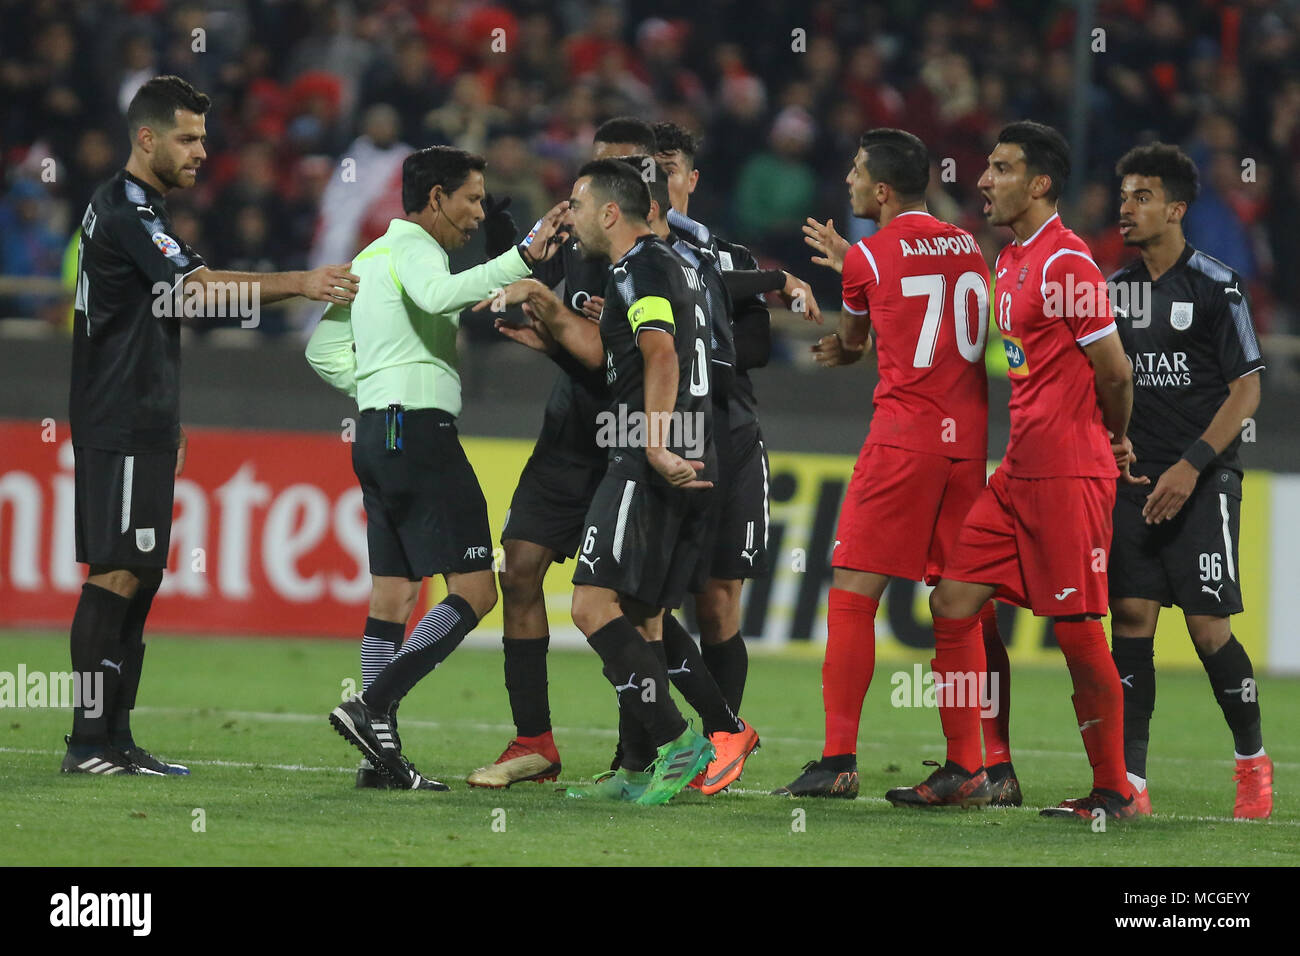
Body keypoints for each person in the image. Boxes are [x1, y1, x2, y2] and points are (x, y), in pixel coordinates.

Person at [64, 74, 358, 776]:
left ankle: (116, 739)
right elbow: (195, 293)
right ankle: (87, 741)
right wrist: (302, 282)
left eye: (203, 137)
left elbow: (150, 318)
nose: (202, 151)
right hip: (118, 419)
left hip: (142, 416)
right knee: (114, 574)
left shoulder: (142, 212)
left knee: (139, 574)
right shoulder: (127, 209)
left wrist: (167, 413)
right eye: (188, 138)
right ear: (147, 138)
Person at [887, 121, 1140, 820]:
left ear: (1040, 183)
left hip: (1068, 475)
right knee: (952, 601)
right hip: (1017, 474)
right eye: (987, 166)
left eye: (1000, 168)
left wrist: (1112, 437)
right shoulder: (1012, 262)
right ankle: (970, 767)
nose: (984, 180)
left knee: (1078, 629)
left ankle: (1115, 790)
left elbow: (1115, 370)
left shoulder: (1069, 263)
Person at [308, 146, 566, 790]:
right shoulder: (419, 250)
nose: (479, 212)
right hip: (419, 431)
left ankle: (380, 758)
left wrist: (378, 385)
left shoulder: (372, 256)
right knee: (477, 589)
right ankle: (373, 706)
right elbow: (439, 292)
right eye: (472, 198)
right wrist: (523, 260)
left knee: (393, 593)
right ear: (435, 200)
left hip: (377, 429)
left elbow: (321, 349)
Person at [772, 129, 1014, 802]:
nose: (848, 182)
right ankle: (968, 767)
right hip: (967, 445)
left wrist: (852, 288)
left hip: (904, 439)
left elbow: (853, 341)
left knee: (852, 593)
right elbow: (922, 296)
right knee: (956, 607)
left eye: (855, 172)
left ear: (881, 190)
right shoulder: (969, 244)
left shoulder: (869, 258)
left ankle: (837, 759)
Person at [483, 159, 720, 805]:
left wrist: (652, 440)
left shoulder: (639, 265)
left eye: (579, 206)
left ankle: (682, 741)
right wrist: (553, 331)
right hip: (683, 445)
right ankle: (639, 767)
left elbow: (660, 351)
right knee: (641, 616)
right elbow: (621, 352)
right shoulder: (669, 265)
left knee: (591, 605)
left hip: (648, 453)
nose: (573, 217)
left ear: (610, 213)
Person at [467, 118, 658, 789]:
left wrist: (553, 322)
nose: (581, 203)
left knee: (629, 605)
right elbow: (497, 297)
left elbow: (612, 359)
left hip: (628, 446)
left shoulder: (654, 263)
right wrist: (502, 232)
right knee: (518, 570)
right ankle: (536, 742)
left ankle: (639, 753)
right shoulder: (571, 249)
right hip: (567, 438)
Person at [1106, 142, 1270, 818]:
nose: (1126, 207)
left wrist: (1191, 466)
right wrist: (1111, 438)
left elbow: (1247, 391)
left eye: (1141, 196)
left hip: (1201, 481)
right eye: (1123, 196)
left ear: (1175, 208)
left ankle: (1252, 764)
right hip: (1134, 480)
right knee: (1132, 618)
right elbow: (1106, 381)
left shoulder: (1216, 284)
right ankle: (1132, 783)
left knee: (1208, 630)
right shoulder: (1114, 290)